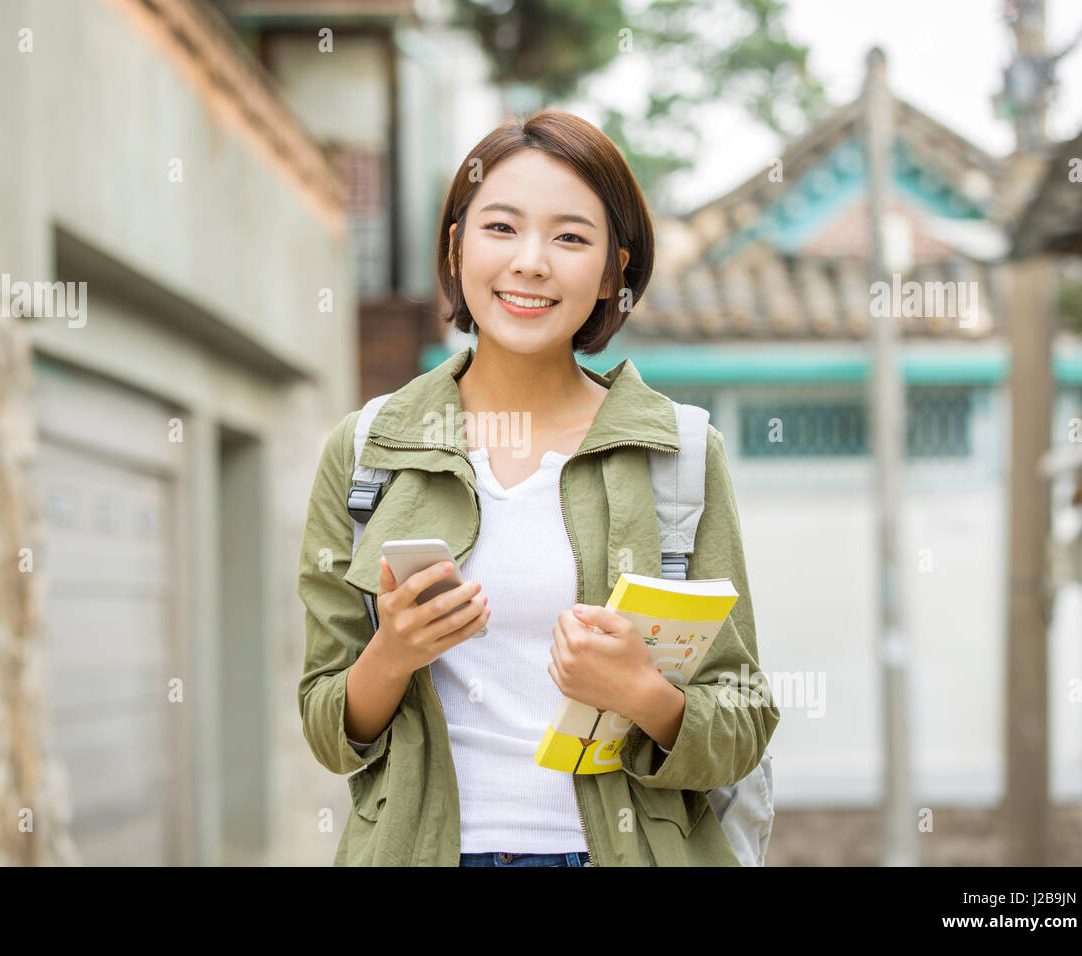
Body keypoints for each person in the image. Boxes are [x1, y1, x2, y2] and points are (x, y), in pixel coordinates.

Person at [297, 110, 778, 866]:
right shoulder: (366, 452)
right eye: (500, 228)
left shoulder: (679, 454)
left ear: (614, 269)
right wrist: (392, 652)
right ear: (456, 248)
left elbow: (744, 719)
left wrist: (642, 693)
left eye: (571, 237)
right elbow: (328, 728)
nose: (530, 262)